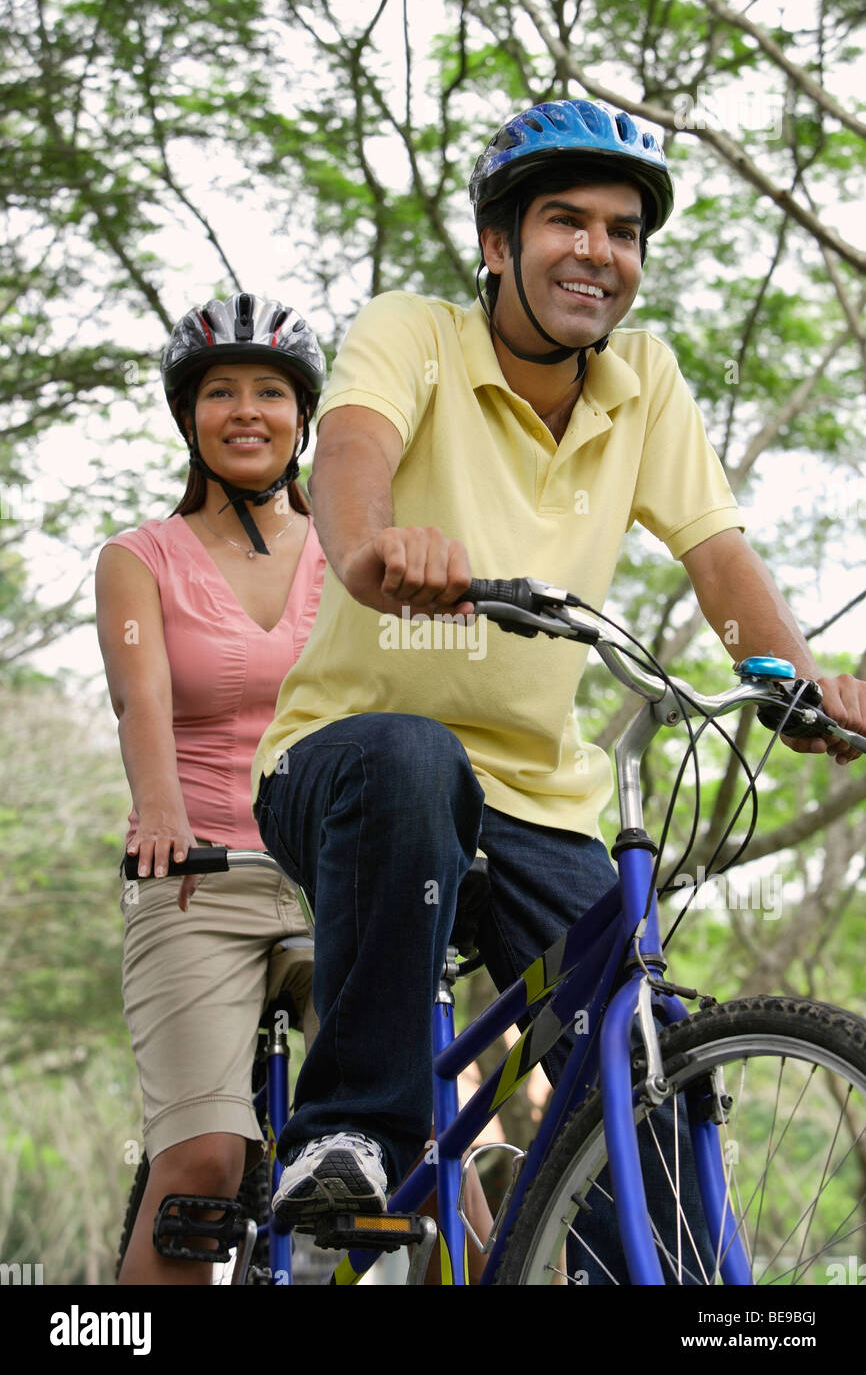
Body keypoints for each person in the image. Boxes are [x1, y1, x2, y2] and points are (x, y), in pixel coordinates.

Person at [250, 100, 866, 1259]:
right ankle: (349, 1135)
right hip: (343, 767)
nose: (597, 250)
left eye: (623, 231)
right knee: (408, 753)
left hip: (537, 800)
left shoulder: (642, 380)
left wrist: (788, 680)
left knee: (633, 1055)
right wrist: (376, 545)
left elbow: (716, 551)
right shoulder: (413, 331)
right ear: (497, 245)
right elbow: (350, 454)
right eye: (564, 221)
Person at [96, 292, 327, 1284]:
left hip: (337, 882)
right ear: (188, 417)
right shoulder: (136, 559)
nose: (245, 410)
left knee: (431, 1148)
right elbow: (138, 696)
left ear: (302, 416)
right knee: (202, 1168)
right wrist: (160, 813)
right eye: (219, 391)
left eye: (269, 391)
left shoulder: (352, 557)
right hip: (198, 875)